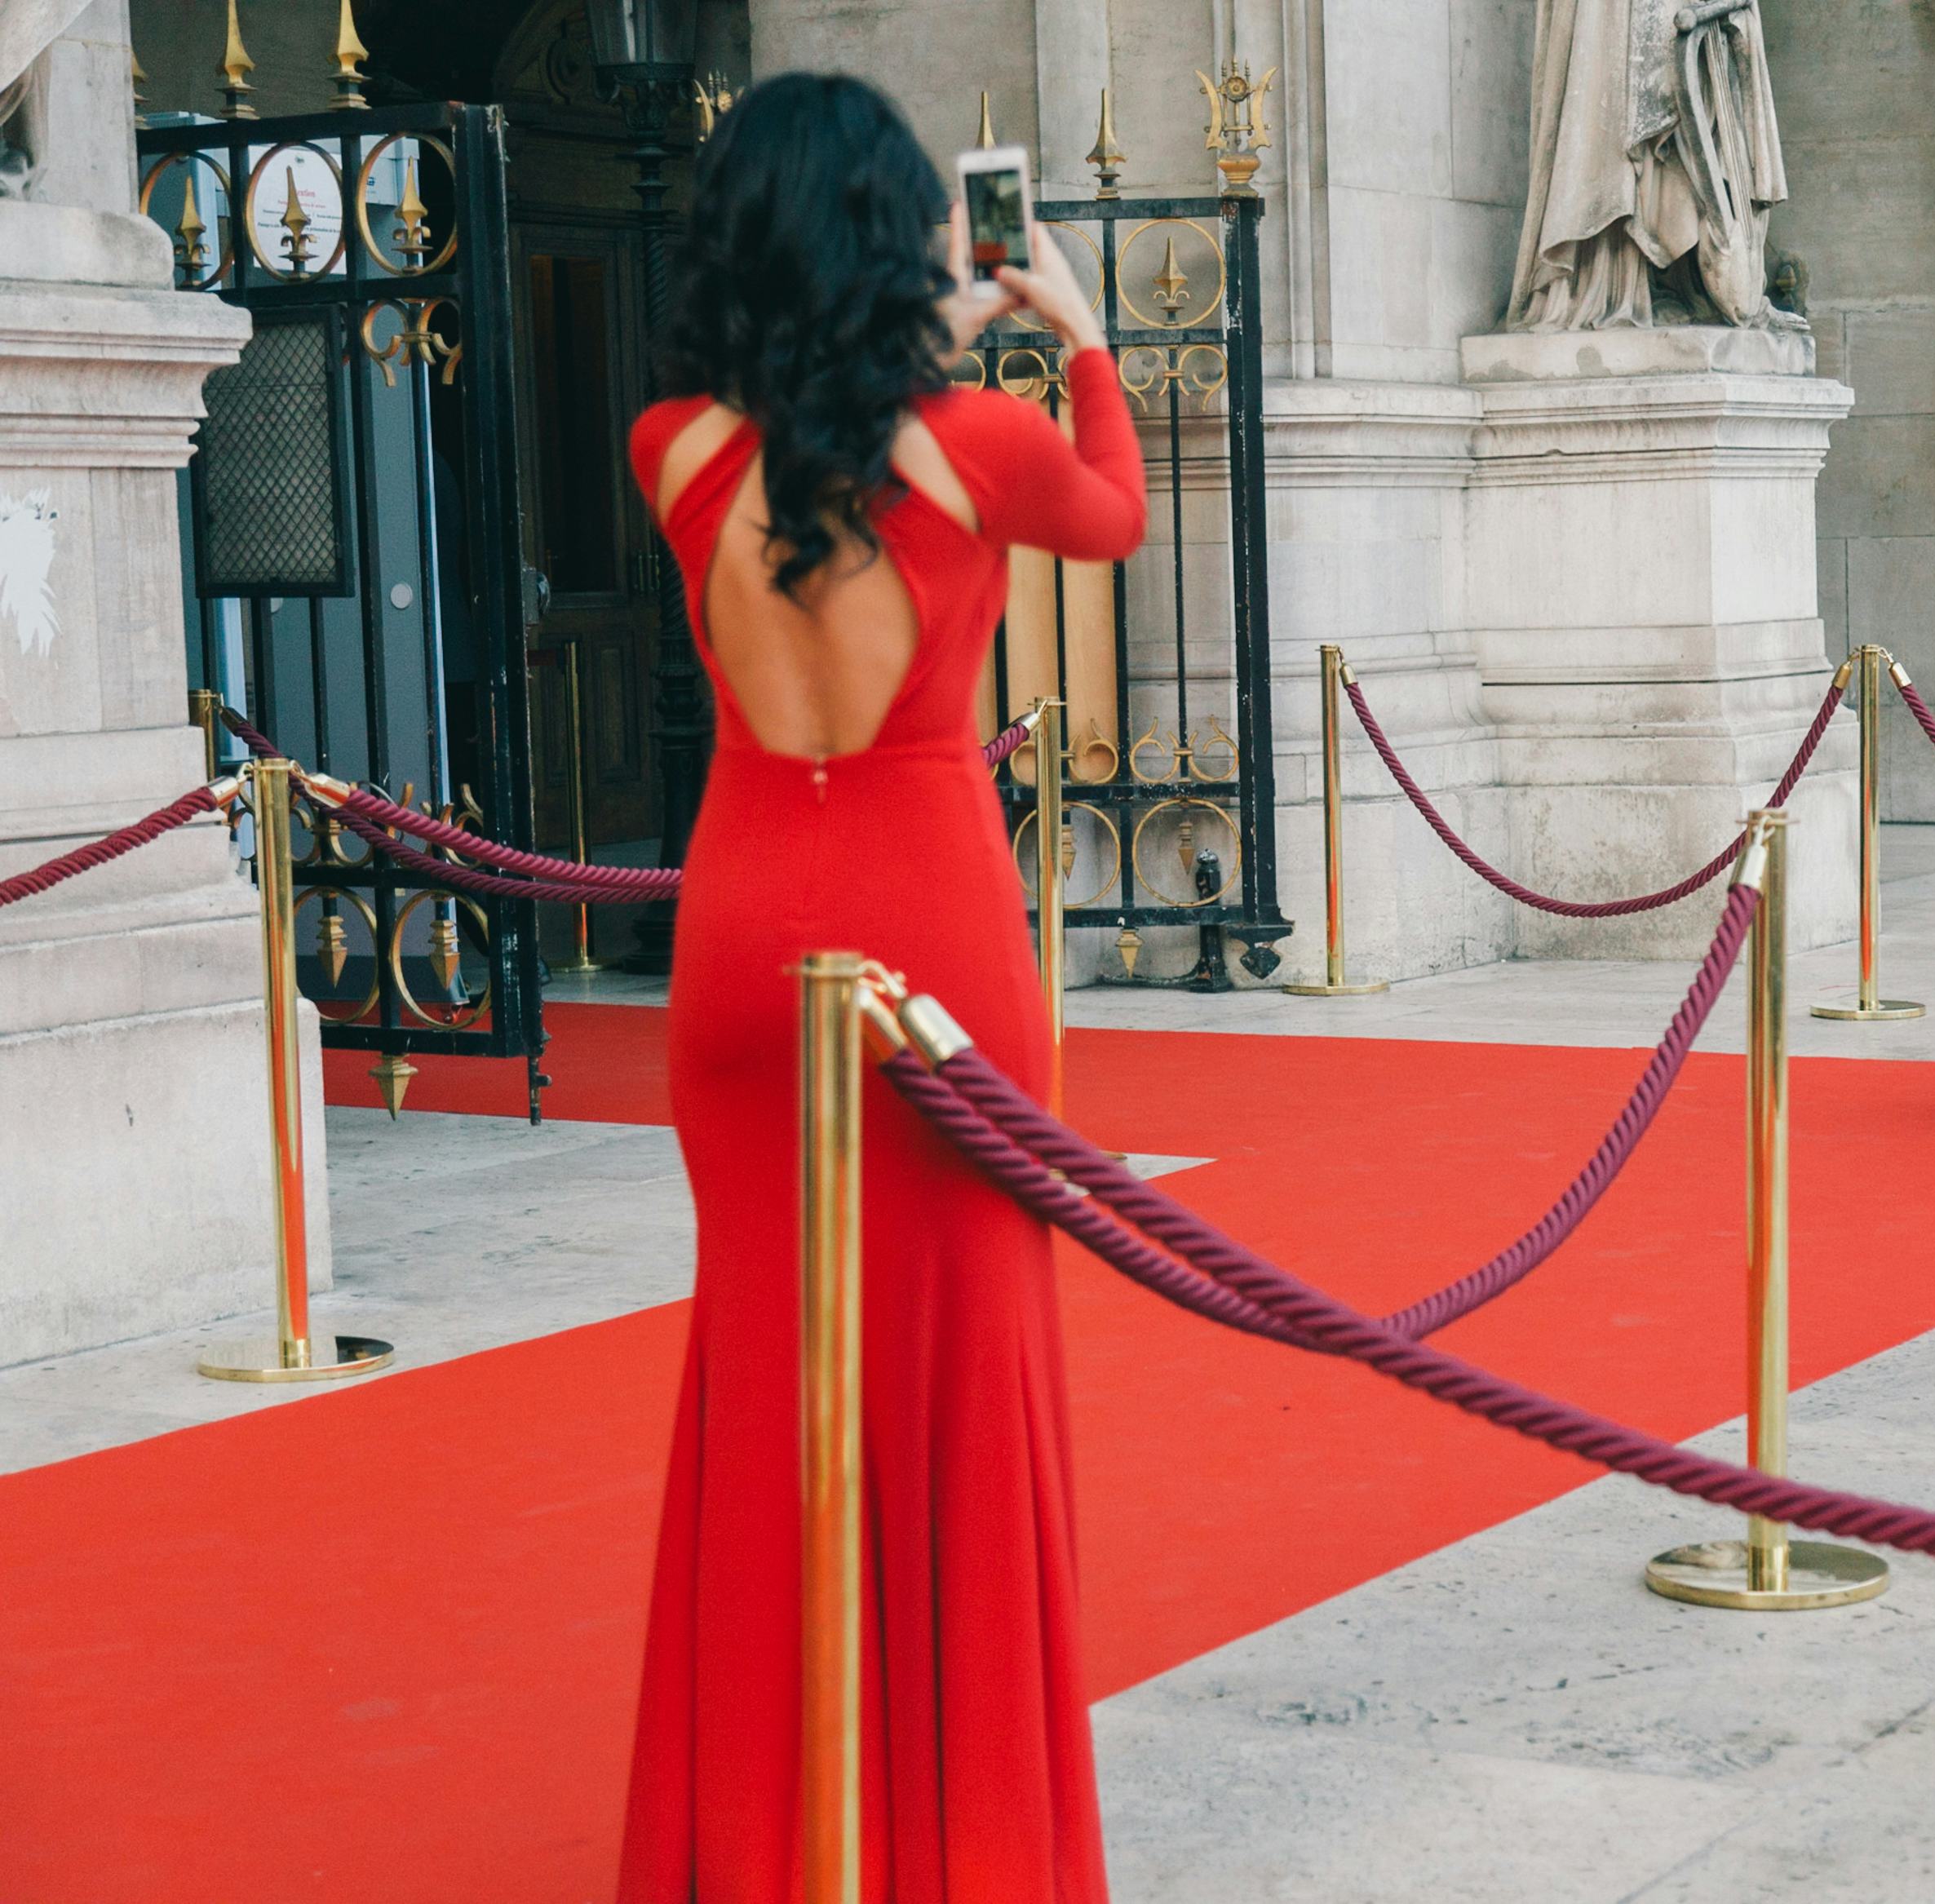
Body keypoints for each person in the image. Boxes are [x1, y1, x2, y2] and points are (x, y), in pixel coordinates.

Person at [613, 73, 1143, 1902]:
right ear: (889, 233)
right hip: (929, 920)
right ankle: (960, 1829)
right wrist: (1068, 335)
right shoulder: (972, 449)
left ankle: (763, 1833)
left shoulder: (669, 444)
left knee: (768, 1369)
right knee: (961, 1364)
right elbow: (1114, 519)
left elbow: (792, 437)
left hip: (746, 923)